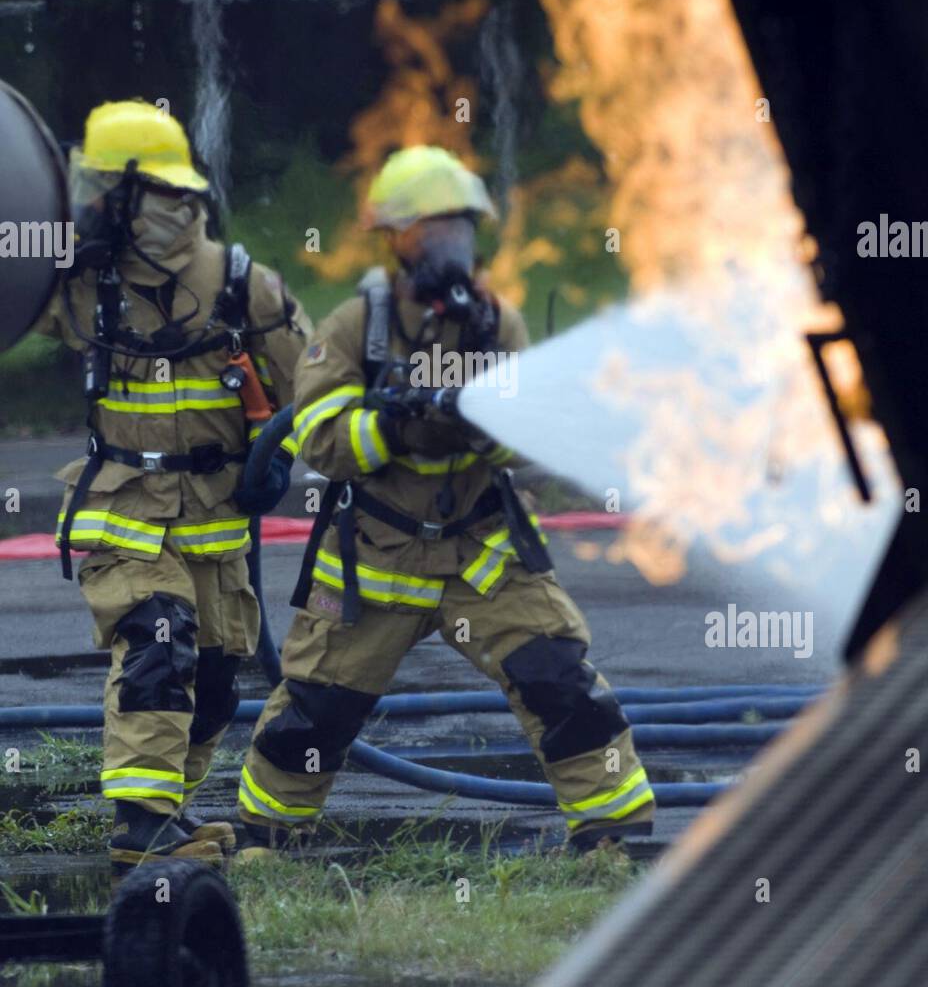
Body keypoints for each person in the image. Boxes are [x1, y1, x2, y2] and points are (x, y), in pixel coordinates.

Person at [237, 145, 654, 857]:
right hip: (378, 556)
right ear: (399, 241)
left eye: (459, 232)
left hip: (480, 553)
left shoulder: (497, 326)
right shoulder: (351, 330)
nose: (450, 249)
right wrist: (395, 425)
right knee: (315, 710)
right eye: (434, 234)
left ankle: (615, 836)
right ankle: (265, 841)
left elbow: (535, 437)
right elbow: (319, 438)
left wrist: (484, 423)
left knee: (559, 680)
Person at [39, 99, 310, 878]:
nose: (86, 200)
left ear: (139, 193)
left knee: (217, 684)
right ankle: (143, 829)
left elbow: (318, 386)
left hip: (216, 523)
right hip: (122, 510)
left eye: (98, 186)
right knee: (158, 645)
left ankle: (169, 807)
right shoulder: (80, 280)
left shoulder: (239, 284)